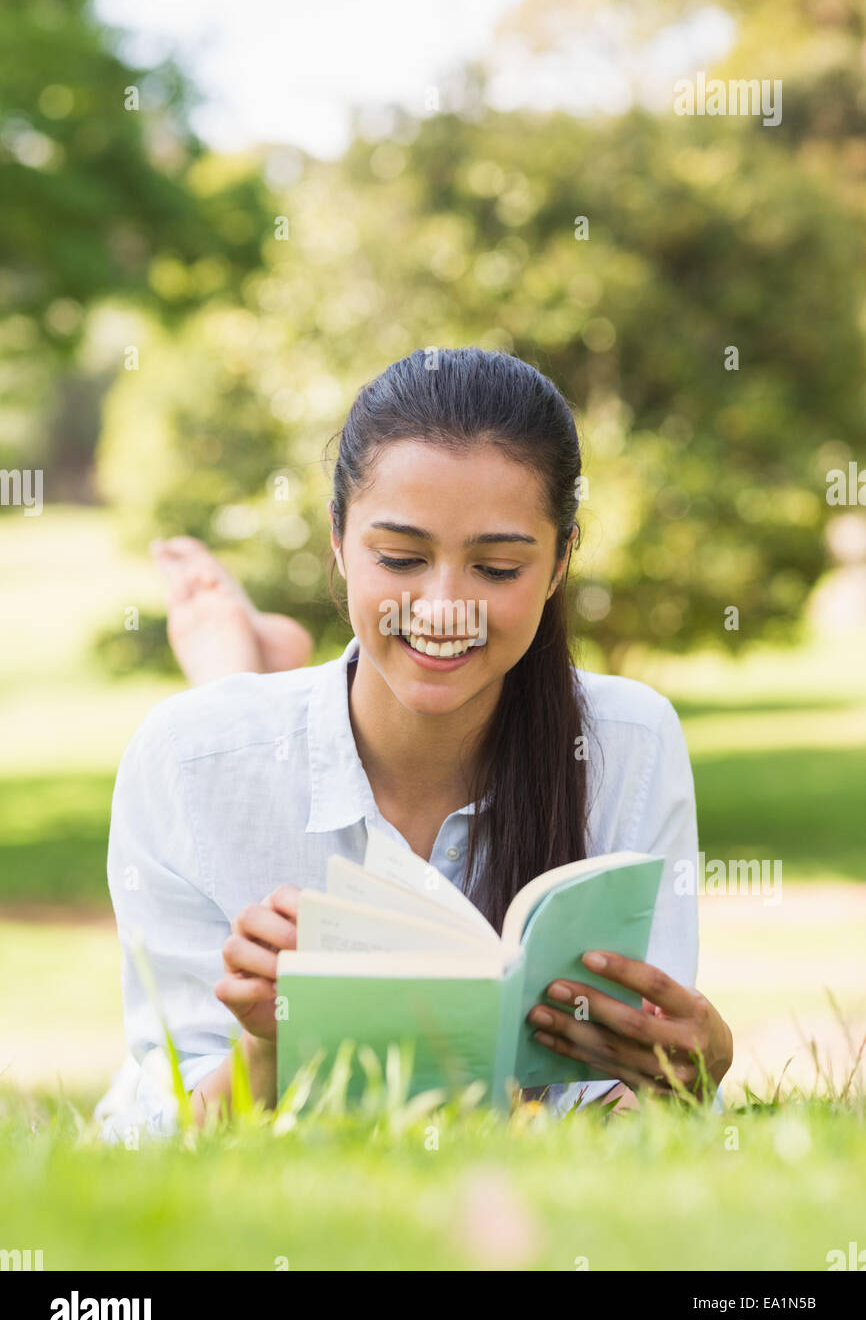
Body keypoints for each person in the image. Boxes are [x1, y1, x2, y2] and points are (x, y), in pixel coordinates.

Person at [94, 347, 732, 1139]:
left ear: (562, 558)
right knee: (228, 734)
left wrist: (689, 1075)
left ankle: (247, 660)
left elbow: (624, 1104)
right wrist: (269, 1051)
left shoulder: (627, 744)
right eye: (400, 559)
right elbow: (153, 1132)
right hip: (239, 748)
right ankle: (238, 664)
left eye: (497, 568)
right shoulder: (184, 761)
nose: (444, 608)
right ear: (336, 537)